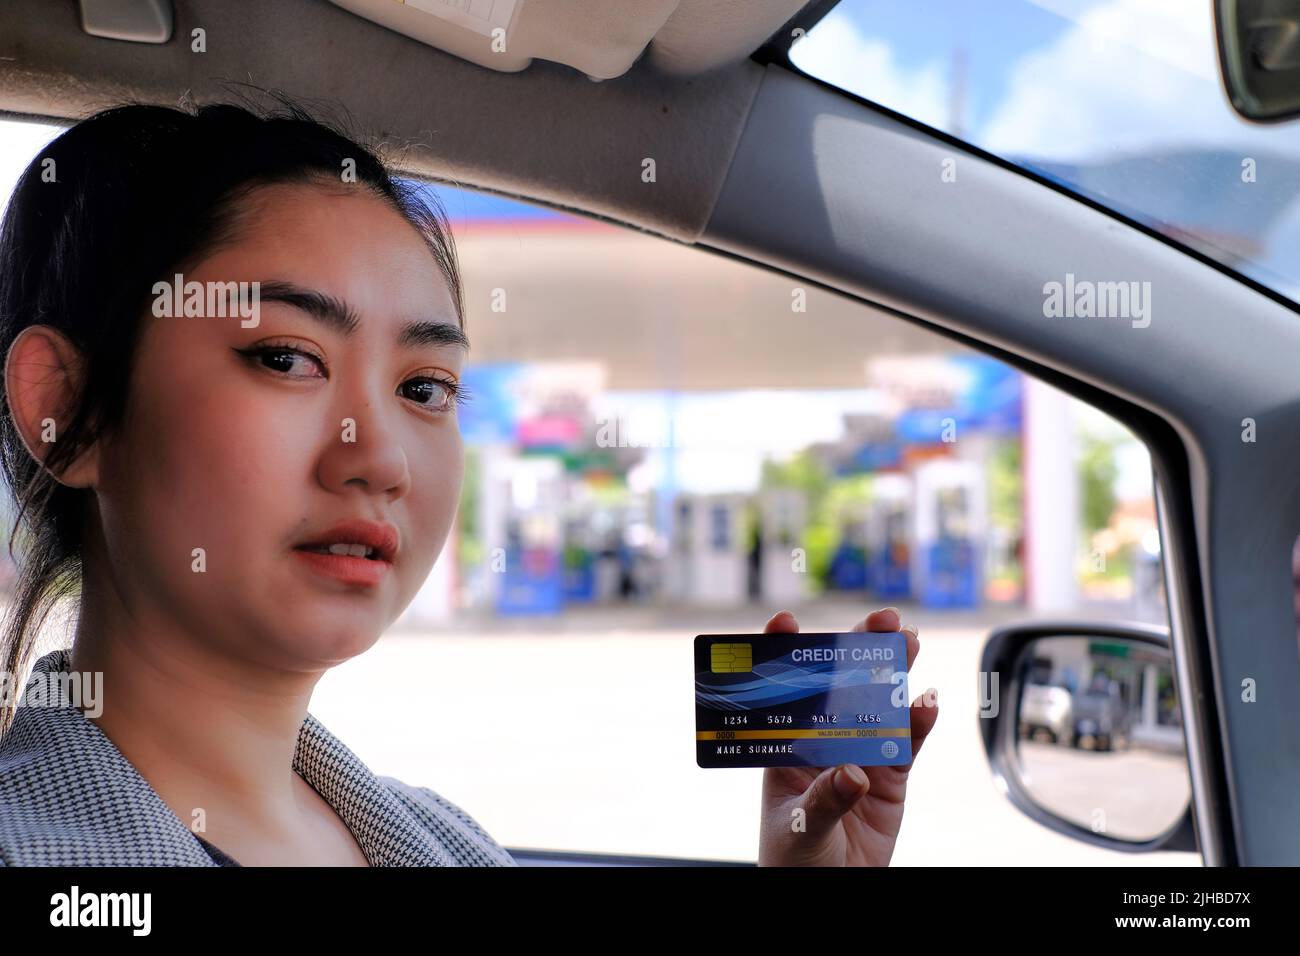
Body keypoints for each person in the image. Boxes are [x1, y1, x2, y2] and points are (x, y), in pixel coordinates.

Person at [0, 96, 937, 867]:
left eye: (424, 387)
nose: (379, 457)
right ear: (64, 410)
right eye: (287, 358)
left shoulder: (450, 842)